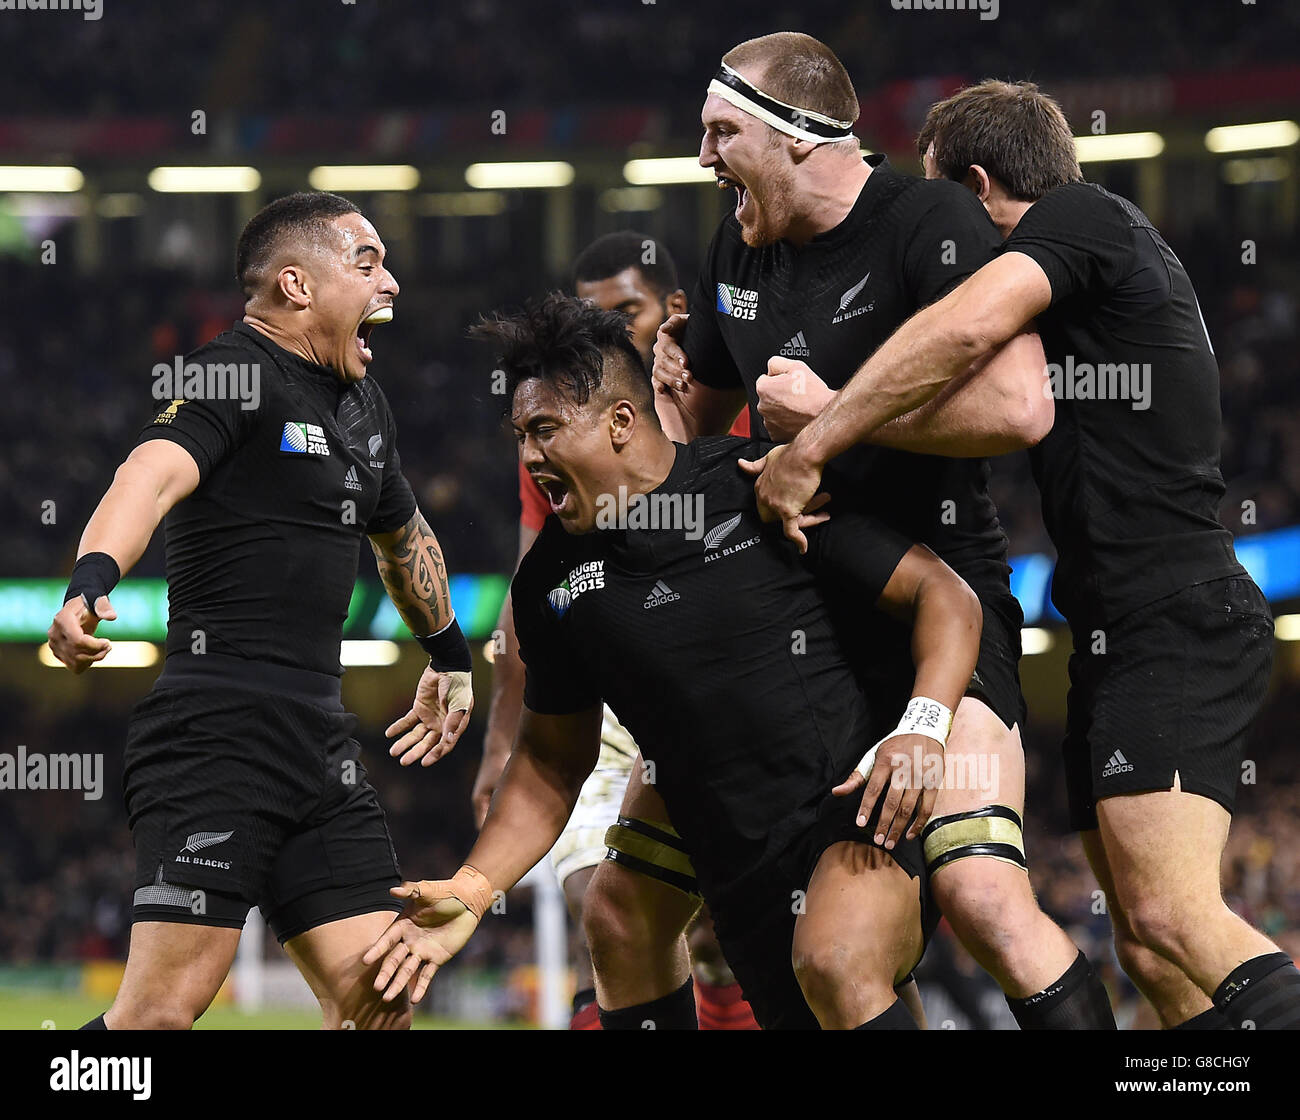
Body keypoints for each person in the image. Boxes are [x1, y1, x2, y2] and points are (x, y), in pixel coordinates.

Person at [753, 79, 1294, 1030]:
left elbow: (961, 330)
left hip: (1173, 612)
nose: (937, 235)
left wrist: (819, 431)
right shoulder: (1095, 281)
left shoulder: (1085, 217)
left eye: (940, 203)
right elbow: (990, 406)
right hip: (1123, 627)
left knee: (1173, 918)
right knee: (1148, 951)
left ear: (974, 181)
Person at [640, 32, 1114, 1028]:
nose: (701, 158)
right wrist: (658, 411)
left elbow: (1022, 405)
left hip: (938, 611)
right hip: (793, 632)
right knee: (694, 921)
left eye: (721, 133)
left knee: (983, 897)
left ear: (804, 136)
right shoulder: (737, 243)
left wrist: (831, 414)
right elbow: (697, 432)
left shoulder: (926, 219)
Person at [363, 293, 983, 1029]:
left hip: (862, 812)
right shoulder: (552, 584)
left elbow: (943, 597)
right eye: (520, 436)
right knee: (624, 920)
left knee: (838, 959)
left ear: (622, 422)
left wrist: (921, 726)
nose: (529, 456)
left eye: (545, 430)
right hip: (734, 870)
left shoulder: (757, 483)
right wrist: (472, 885)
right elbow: (552, 762)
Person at [46, 191, 472, 1031]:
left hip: (320, 743)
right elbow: (151, 472)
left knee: (380, 1004)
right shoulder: (232, 370)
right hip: (217, 731)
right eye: (367, 262)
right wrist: (89, 579)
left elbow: (403, 539)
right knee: (158, 1018)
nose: (391, 283)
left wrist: (450, 652)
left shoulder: (363, 406)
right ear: (296, 285)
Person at [473, 230, 757, 1028]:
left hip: (736, 696)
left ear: (672, 312)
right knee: (604, 904)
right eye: (593, 321)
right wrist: (501, 745)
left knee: (720, 942)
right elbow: (529, 601)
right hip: (614, 706)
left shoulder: (738, 405)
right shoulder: (561, 446)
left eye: (625, 313)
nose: (612, 335)